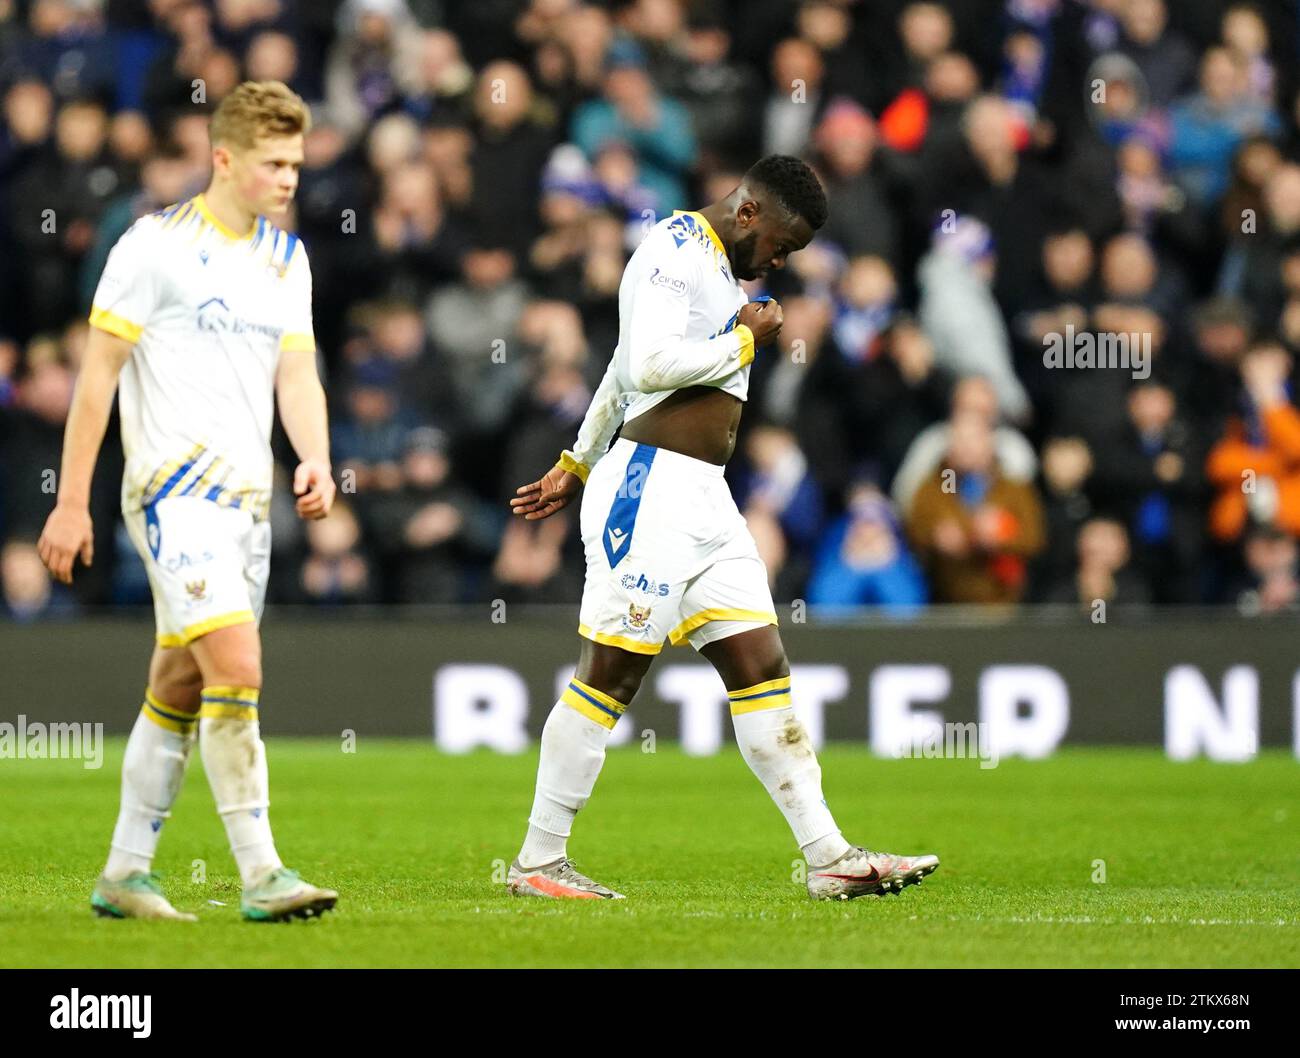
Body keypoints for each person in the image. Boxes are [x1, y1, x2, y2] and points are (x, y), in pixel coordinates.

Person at [508, 155, 939, 901]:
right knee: (609, 675)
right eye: (780, 244)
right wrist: (744, 343)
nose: (779, 262)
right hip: (649, 487)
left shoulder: (717, 267)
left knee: (762, 670)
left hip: (706, 497)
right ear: (748, 212)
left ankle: (828, 855)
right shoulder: (674, 252)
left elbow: (614, 371)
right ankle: (539, 862)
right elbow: (644, 366)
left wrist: (575, 460)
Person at [36, 81, 338, 923]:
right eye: (275, 165)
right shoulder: (152, 248)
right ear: (224, 158)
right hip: (172, 493)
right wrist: (70, 504)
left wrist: (314, 456)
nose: (289, 180)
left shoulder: (288, 260)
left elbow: (297, 373)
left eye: (297, 165)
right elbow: (95, 380)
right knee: (237, 668)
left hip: (246, 504)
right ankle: (263, 872)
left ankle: (123, 874)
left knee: (179, 681)